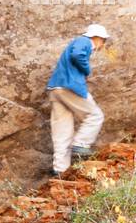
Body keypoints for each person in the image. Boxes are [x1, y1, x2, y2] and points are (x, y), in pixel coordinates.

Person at [47, 24, 109, 176]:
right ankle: (81, 143)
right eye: (103, 40)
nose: (102, 44)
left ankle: (60, 169)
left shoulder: (77, 41)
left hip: (56, 89)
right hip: (70, 86)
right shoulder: (85, 41)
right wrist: (87, 70)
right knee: (95, 116)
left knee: (62, 131)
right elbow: (77, 55)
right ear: (98, 38)